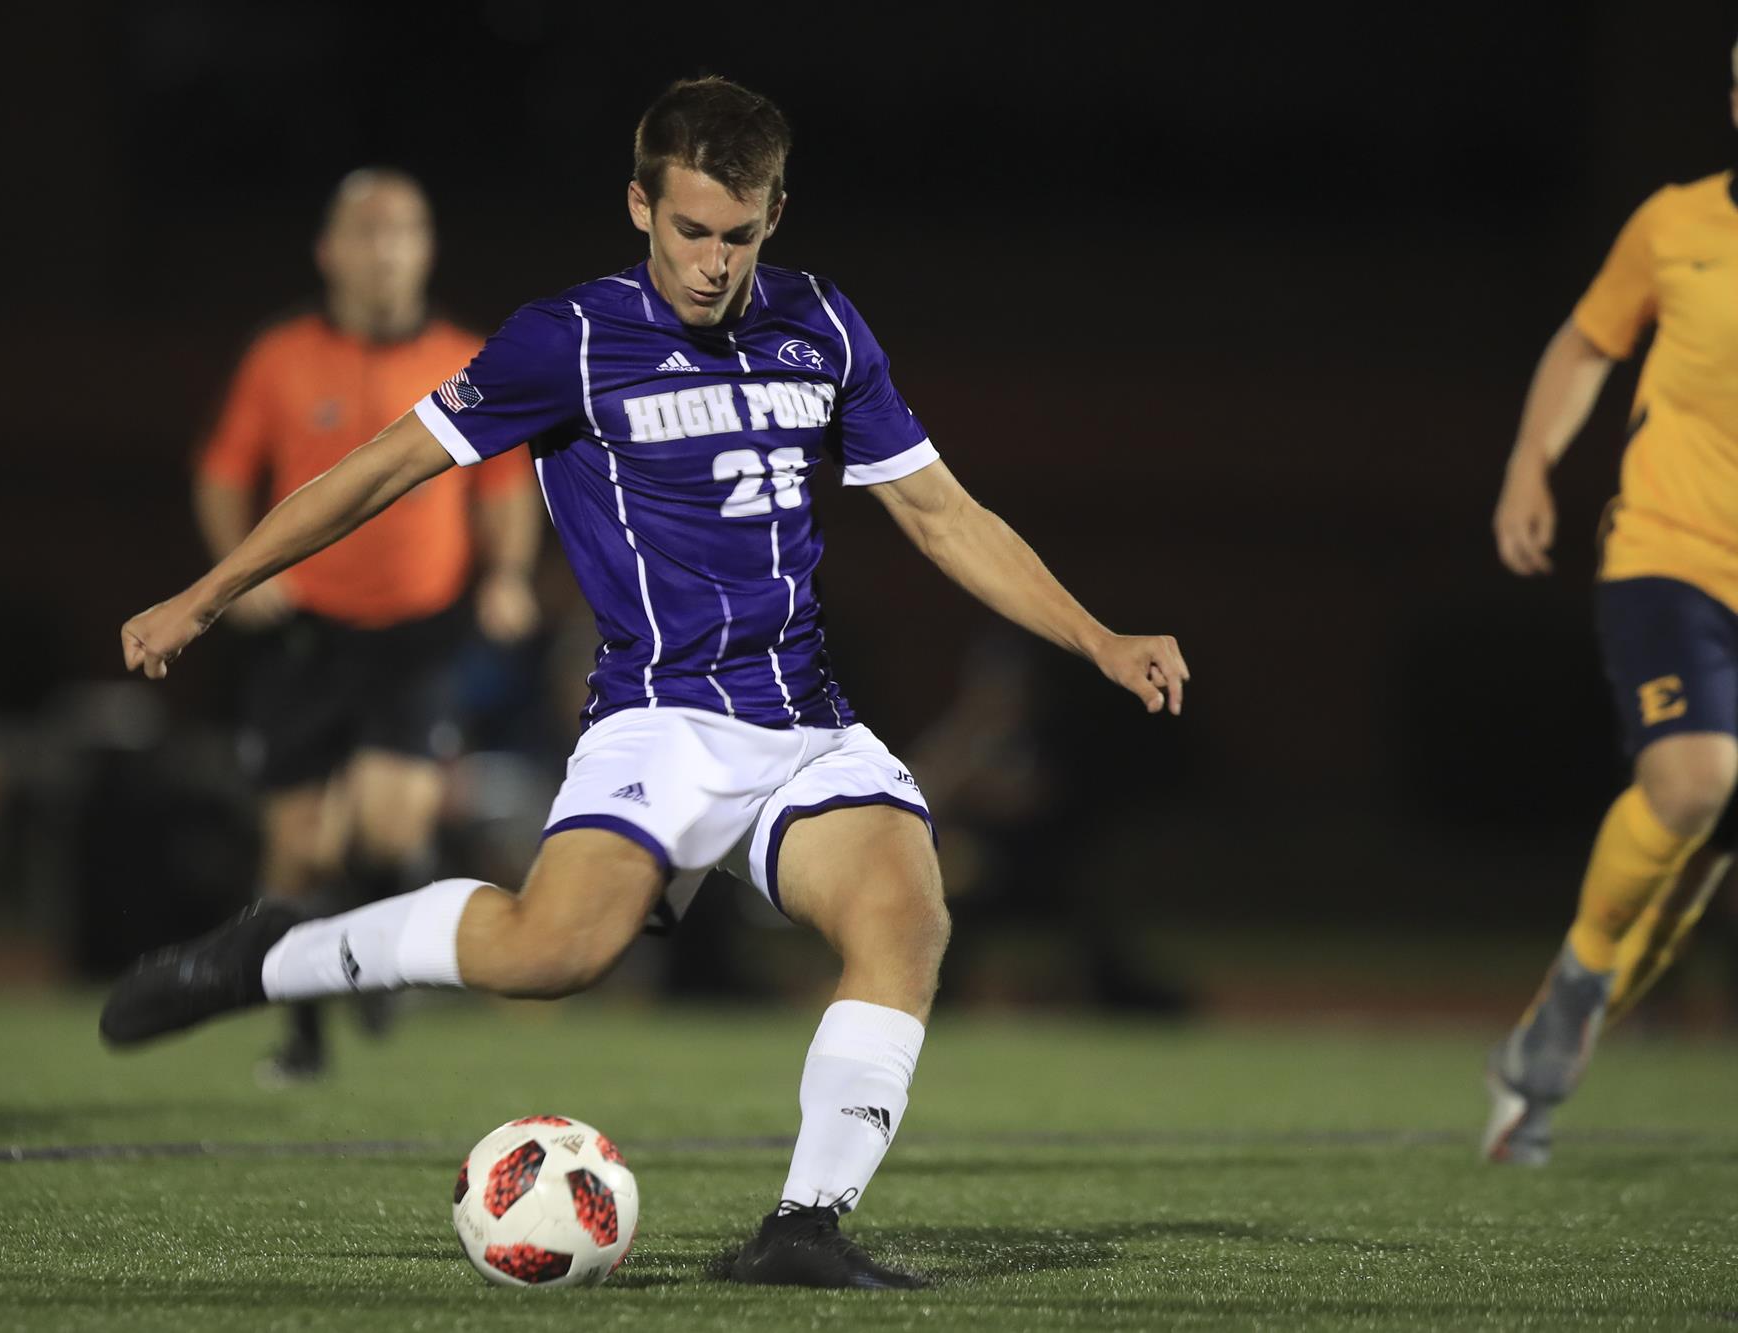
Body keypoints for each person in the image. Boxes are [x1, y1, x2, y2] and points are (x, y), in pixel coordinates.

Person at [101, 77, 1187, 1287]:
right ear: (637, 204)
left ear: (776, 213)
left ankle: (800, 1226)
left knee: (905, 916)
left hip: (802, 723)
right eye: (688, 229)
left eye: (739, 233)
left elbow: (939, 513)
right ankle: (271, 956)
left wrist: (1097, 637)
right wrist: (204, 594)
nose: (712, 262)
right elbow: (376, 472)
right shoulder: (565, 337)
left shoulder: (820, 325)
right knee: (548, 954)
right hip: (658, 720)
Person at [193, 169, 540, 1081]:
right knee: (299, 848)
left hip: (420, 630)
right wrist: (238, 575)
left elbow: (504, 483)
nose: (385, 248)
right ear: (330, 251)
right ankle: (303, 1037)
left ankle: (385, 960)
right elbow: (225, 471)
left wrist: (505, 575)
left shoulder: (471, 356)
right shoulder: (280, 356)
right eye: (366, 231)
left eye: (404, 231)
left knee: (388, 828)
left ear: (426, 250)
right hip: (308, 631)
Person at [1484, 41, 1738, 1164]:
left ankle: (1548, 1055)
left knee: (1701, 853)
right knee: (1694, 777)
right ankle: (1579, 975)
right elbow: (1587, 341)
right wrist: (1529, 462)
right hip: (1667, 550)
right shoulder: (1674, 224)